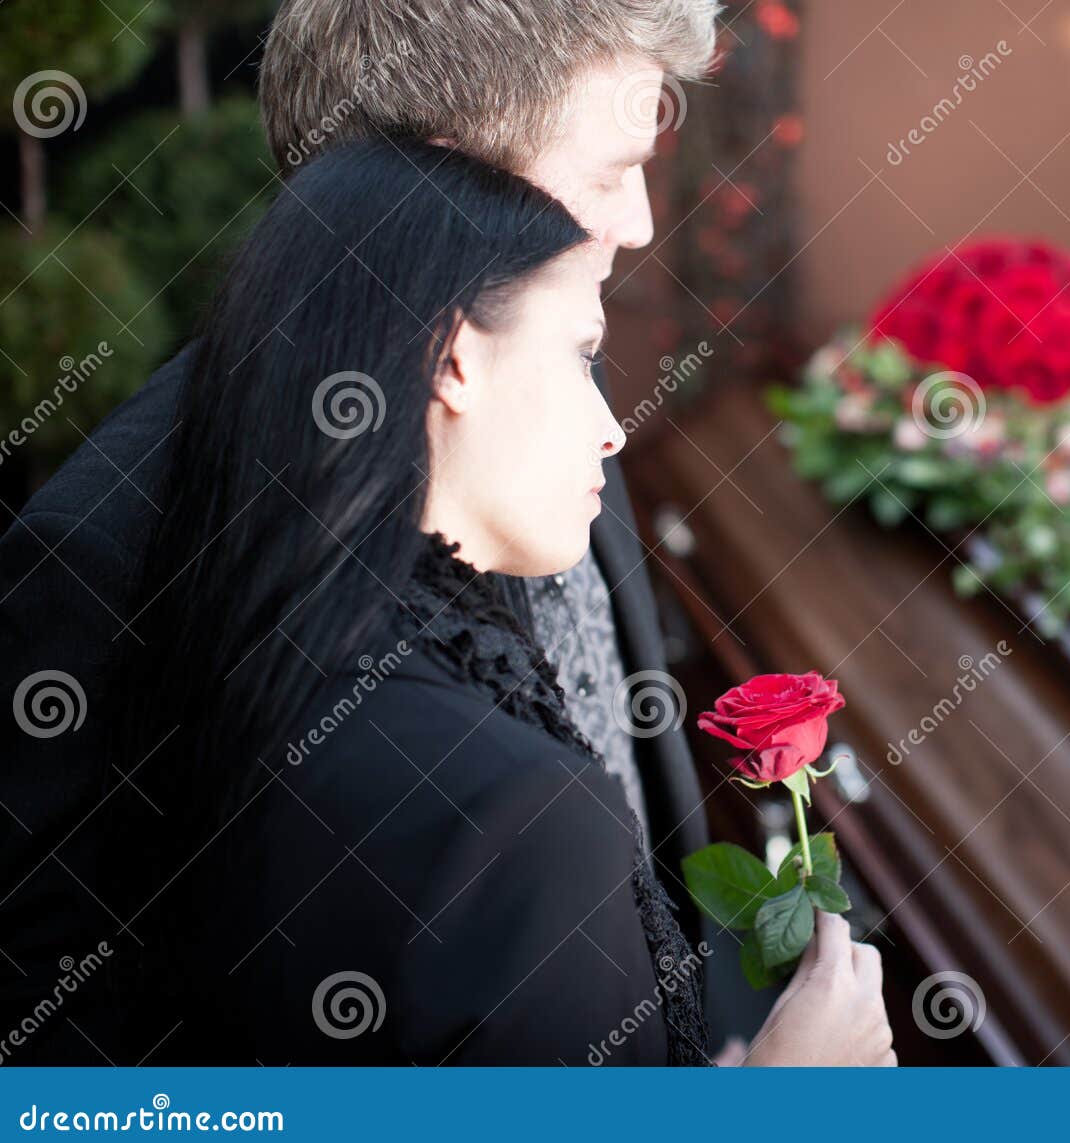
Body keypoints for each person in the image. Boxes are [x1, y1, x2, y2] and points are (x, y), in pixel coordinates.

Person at [0, 1, 892, 1065]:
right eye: (610, 168)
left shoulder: (538, 380)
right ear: (444, 183)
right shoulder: (99, 552)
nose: (643, 220)